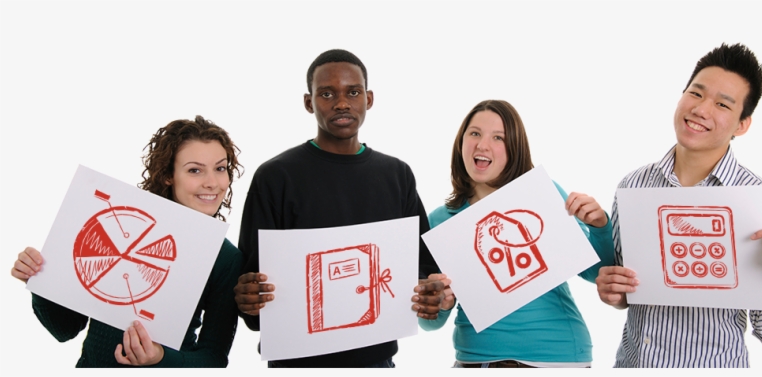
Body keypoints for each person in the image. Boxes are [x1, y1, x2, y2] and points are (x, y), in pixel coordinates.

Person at [595, 43, 762, 367]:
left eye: (722, 104)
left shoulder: (758, 199)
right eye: (696, 94)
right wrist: (614, 291)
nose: (701, 109)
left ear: (742, 124)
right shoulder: (633, 186)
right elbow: (630, 291)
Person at [232, 49, 446, 368]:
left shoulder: (396, 175)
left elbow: (425, 267)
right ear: (309, 103)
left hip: (376, 362)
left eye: (353, 92)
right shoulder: (275, 177)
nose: (342, 103)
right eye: (327, 93)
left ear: (369, 99)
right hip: (296, 363)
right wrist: (247, 299)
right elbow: (250, 281)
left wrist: (431, 294)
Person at [10, 116, 244, 367]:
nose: (212, 182)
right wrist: (40, 282)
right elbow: (64, 329)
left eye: (220, 168)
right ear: (167, 175)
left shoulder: (226, 258)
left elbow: (214, 358)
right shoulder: (118, 227)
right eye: (195, 170)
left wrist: (160, 358)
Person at [419, 99, 615, 368]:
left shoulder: (541, 194)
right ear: (461, 142)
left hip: (556, 358)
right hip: (476, 361)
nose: (482, 145)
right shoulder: (440, 221)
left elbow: (597, 274)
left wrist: (600, 226)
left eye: (498, 137)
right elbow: (430, 323)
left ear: (515, 148)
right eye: (474, 133)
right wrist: (438, 302)